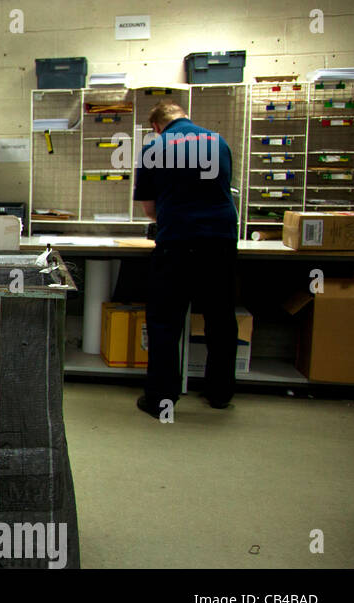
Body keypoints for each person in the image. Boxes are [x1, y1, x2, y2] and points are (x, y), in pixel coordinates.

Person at [131, 100, 238, 419]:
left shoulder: (154, 148)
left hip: (178, 243)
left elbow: (150, 210)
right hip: (220, 242)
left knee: (165, 322)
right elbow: (223, 189)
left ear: (156, 126)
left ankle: (162, 399)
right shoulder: (217, 141)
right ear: (185, 117)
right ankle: (220, 393)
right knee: (221, 318)